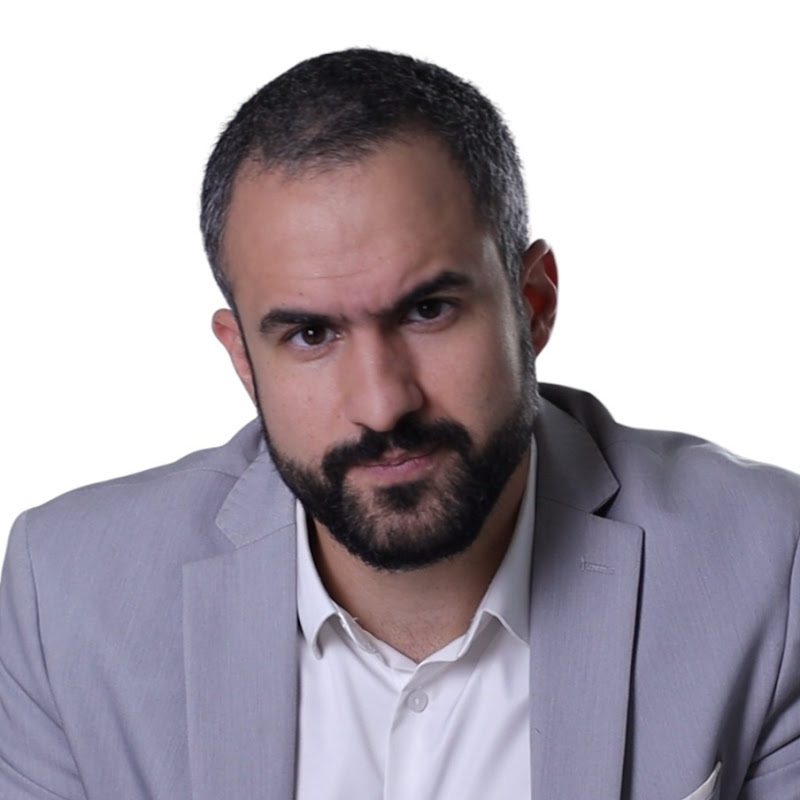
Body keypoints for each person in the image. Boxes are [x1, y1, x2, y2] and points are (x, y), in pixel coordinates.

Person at [0, 47, 797, 800]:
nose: (383, 405)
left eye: (428, 311)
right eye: (311, 334)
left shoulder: (769, 570)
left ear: (533, 304)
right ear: (242, 358)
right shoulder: (67, 597)